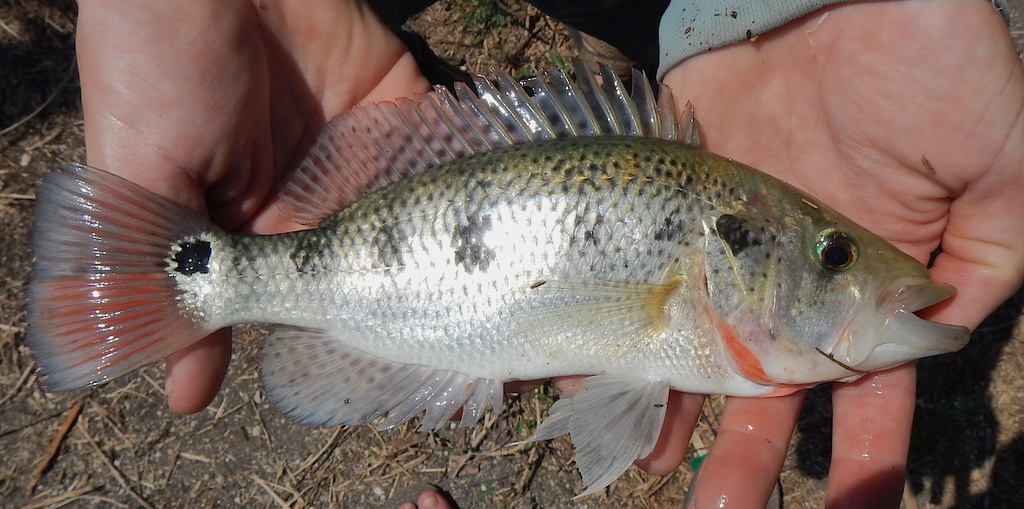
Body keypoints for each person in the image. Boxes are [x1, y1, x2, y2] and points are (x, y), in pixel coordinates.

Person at [73, 0, 1024, 507]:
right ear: (732, 250)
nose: (851, 271)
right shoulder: (694, 262)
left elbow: (626, 391)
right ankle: (201, 279)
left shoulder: (710, 257)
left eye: (834, 254)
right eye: (831, 254)